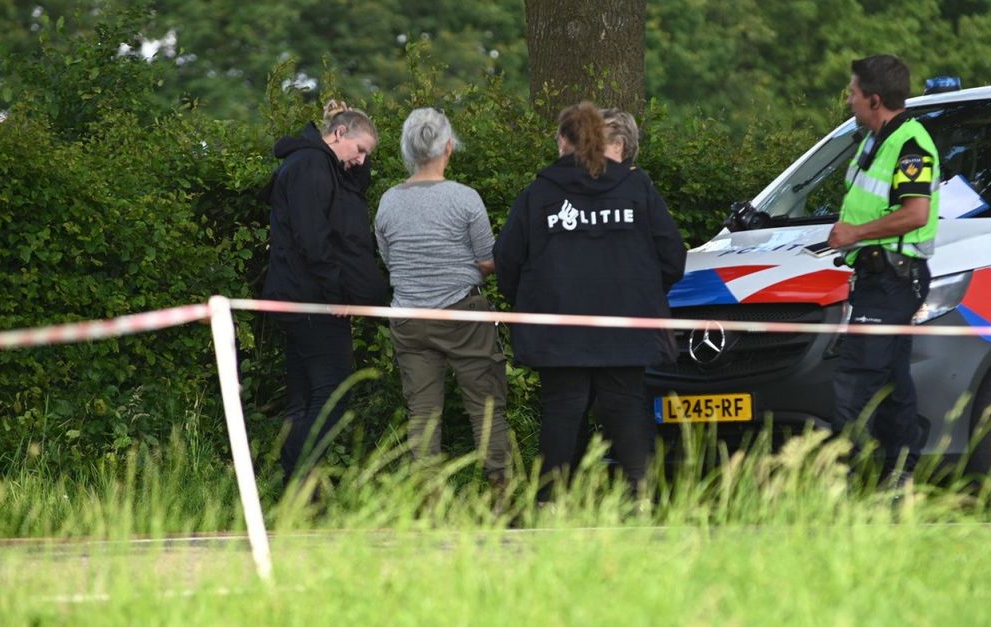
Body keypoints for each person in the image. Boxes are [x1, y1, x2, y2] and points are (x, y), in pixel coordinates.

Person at [494, 102, 686, 503]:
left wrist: (529, 302)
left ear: (564, 141)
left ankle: (549, 504)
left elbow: (507, 259)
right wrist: (643, 294)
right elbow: (673, 257)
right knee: (628, 407)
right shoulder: (636, 188)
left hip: (559, 328)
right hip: (627, 325)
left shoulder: (539, 193)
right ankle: (642, 499)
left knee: (563, 410)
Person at [374, 108, 511, 486]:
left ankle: (429, 503)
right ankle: (501, 496)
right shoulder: (465, 199)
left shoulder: (388, 201)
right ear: (448, 147)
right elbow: (488, 259)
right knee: (487, 410)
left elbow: (390, 260)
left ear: (406, 150)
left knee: (422, 414)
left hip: (409, 320)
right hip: (464, 316)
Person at [827, 55, 940, 487]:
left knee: (856, 377)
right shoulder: (874, 139)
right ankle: (901, 475)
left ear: (874, 99)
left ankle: (843, 479)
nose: (849, 99)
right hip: (878, 276)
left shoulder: (911, 143)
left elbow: (914, 213)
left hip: (894, 276)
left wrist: (857, 232)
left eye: (853, 93)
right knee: (893, 380)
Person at [262, 100, 387, 484]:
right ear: (338, 134)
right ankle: (292, 464)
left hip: (302, 298)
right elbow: (313, 239)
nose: (361, 160)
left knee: (305, 399)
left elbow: (348, 205)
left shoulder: (317, 164)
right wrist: (337, 294)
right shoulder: (311, 166)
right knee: (334, 395)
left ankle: (300, 491)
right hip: (313, 301)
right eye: (360, 150)